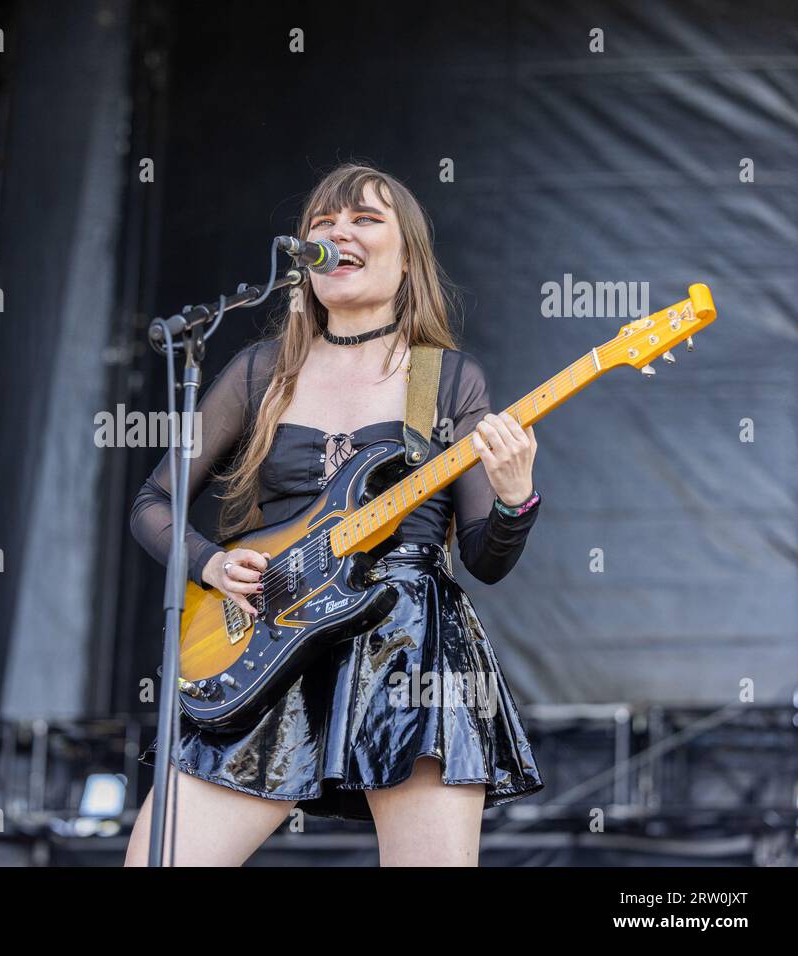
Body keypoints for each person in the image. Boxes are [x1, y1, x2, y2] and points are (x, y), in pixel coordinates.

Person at [123, 163, 543, 866]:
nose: (338, 232)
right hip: (265, 638)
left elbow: (484, 559)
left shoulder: (445, 380)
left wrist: (513, 497)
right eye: (322, 223)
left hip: (408, 645)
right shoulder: (260, 372)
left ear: (407, 258)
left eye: (365, 220)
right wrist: (213, 563)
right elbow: (152, 500)